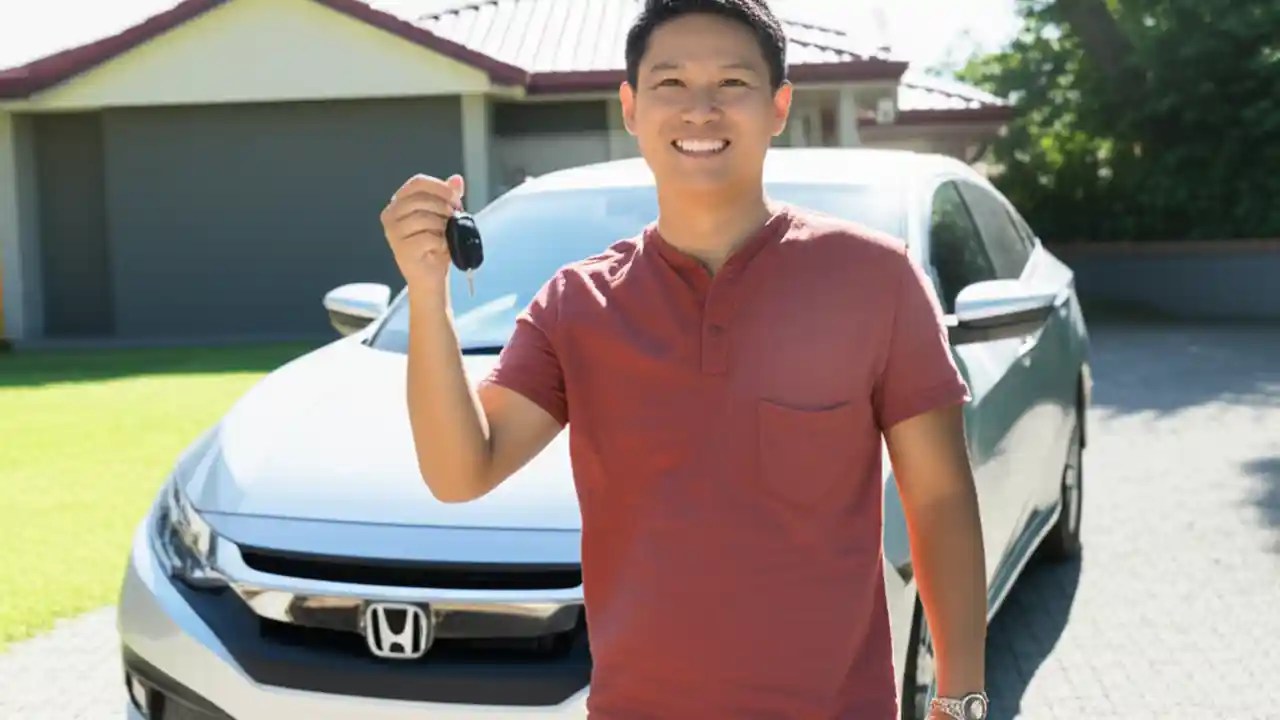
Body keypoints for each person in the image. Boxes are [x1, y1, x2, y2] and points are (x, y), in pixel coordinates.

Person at [378, 1, 988, 717]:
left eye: (733, 83)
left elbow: (940, 496)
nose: (701, 110)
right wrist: (427, 296)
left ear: (779, 106)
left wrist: (961, 697)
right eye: (671, 84)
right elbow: (459, 471)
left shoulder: (877, 280)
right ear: (632, 108)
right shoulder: (578, 305)